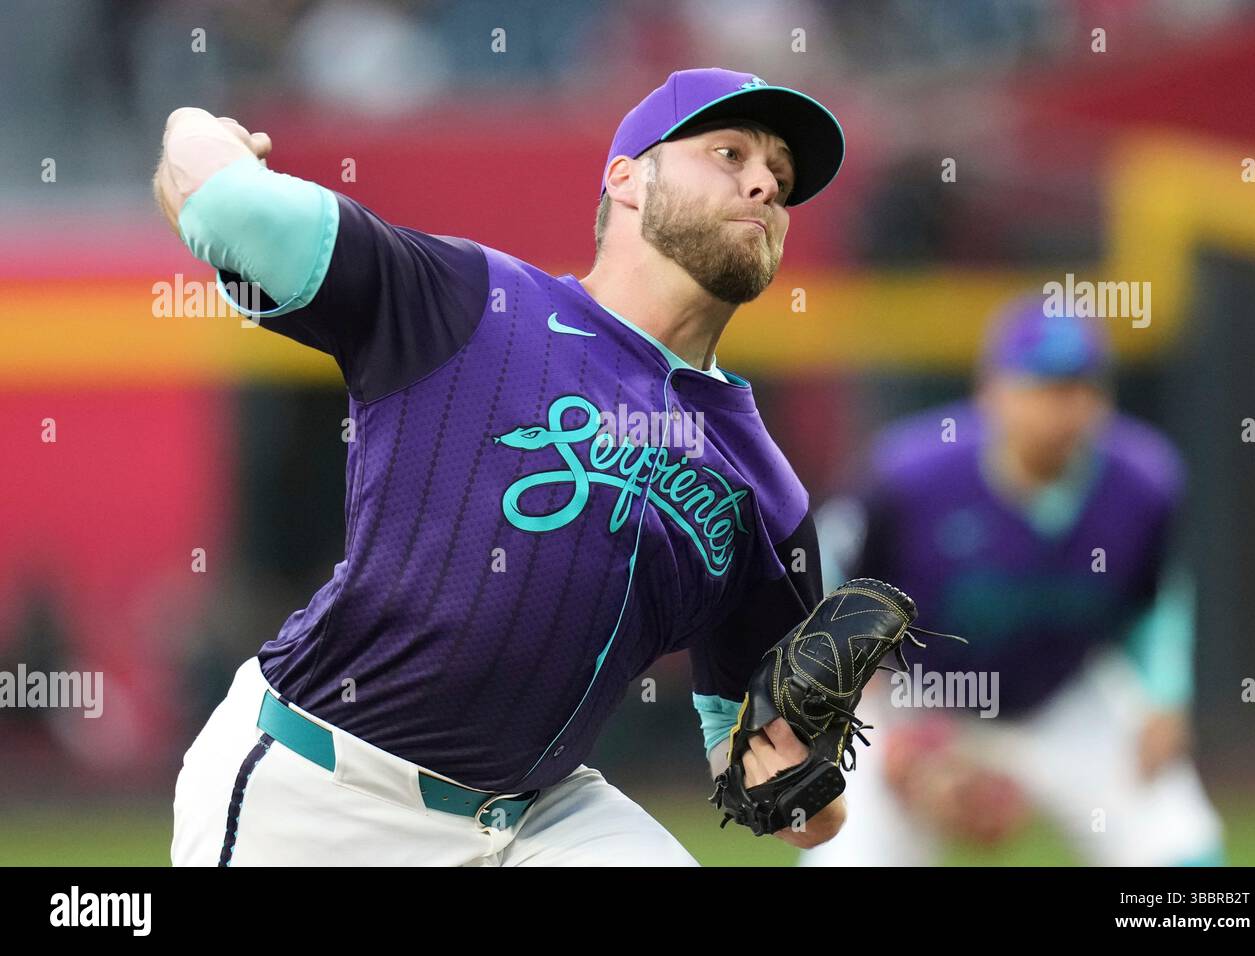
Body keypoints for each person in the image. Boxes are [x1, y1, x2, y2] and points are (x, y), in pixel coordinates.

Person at [153, 67, 849, 866]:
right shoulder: (466, 301)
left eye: (781, 178)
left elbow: (785, 799)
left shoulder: (767, 492)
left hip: (539, 814)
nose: (765, 184)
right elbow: (224, 206)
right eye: (729, 154)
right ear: (628, 179)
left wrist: (798, 786)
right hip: (324, 788)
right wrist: (196, 126)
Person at [800, 297, 1225, 866]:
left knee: (1183, 849)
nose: (1063, 408)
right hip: (918, 696)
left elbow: (1154, 597)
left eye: (1081, 387)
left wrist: (1165, 698)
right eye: (1043, 387)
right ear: (991, 390)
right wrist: (864, 713)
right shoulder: (909, 476)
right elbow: (827, 582)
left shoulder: (1143, 483)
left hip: (1064, 697)